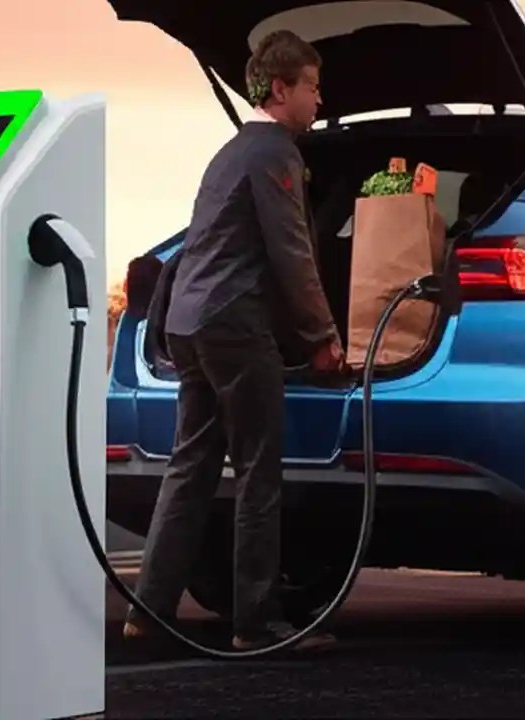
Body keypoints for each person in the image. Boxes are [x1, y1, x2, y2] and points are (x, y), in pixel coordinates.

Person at [122, 29, 343, 653]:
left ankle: (148, 612)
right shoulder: (276, 153)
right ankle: (256, 622)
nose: (319, 101)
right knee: (257, 471)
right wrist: (322, 338)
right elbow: (291, 252)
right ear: (280, 89)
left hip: (189, 325)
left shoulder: (229, 152)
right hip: (233, 328)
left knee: (189, 467)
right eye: (313, 88)